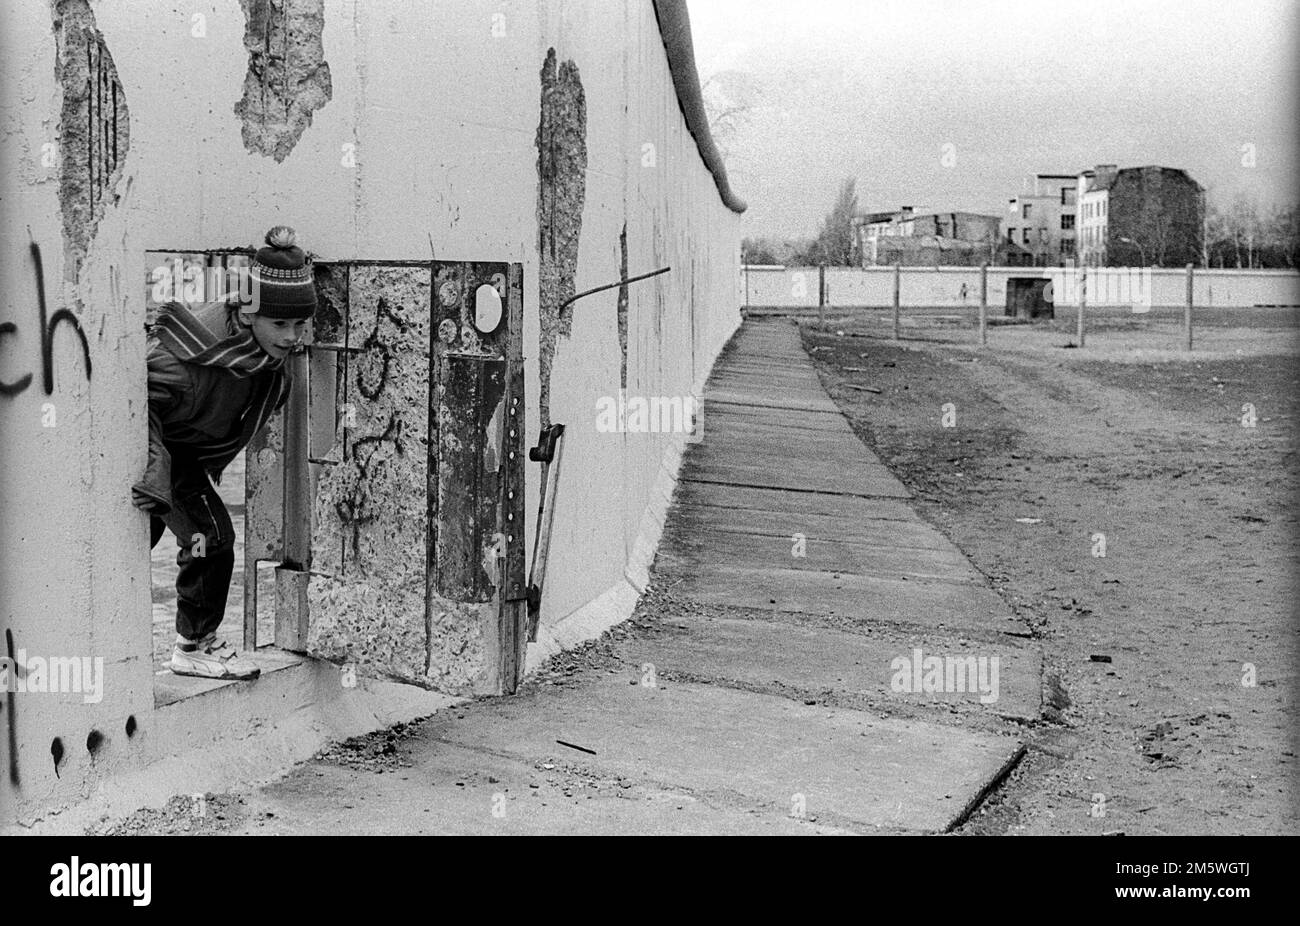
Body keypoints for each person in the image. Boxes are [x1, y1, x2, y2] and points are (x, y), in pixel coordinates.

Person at [132, 226, 316, 679]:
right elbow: (135, 399)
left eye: (299, 323)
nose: (293, 337)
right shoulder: (194, 352)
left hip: (188, 452)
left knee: (178, 539)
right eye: (281, 323)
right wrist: (155, 467)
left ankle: (185, 641)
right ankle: (193, 645)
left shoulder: (259, 354)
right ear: (250, 312)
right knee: (204, 538)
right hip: (161, 451)